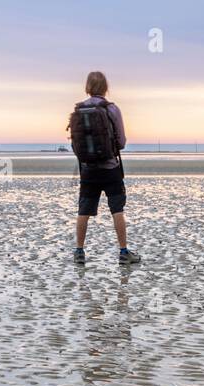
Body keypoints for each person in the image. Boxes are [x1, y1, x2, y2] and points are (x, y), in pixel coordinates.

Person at [73, 71, 141, 265]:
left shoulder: (79, 110)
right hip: (110, 168)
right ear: (105, 87)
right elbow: (122, 141)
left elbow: (75, 143)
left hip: (87, 170)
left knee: (83, 210)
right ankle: (123, 252)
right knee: (117, 209)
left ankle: (79, 252)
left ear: (87, 87)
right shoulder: (112, 109)